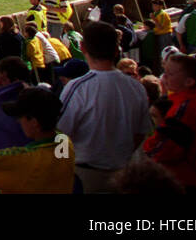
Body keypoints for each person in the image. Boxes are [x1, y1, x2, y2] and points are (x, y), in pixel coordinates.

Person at [57, 21, 150, 193]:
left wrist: (61, 164)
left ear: (83, 47)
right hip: (125, 174)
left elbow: (61, 133)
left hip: (86, 176)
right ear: (116, 51)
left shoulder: (77, 87)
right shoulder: (136, 87)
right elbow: (140, 132)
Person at [0, 85, 75, 193]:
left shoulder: (27, 161)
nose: (18, 121)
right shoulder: (65, 143)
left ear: (34, 122)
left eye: (20, 116)